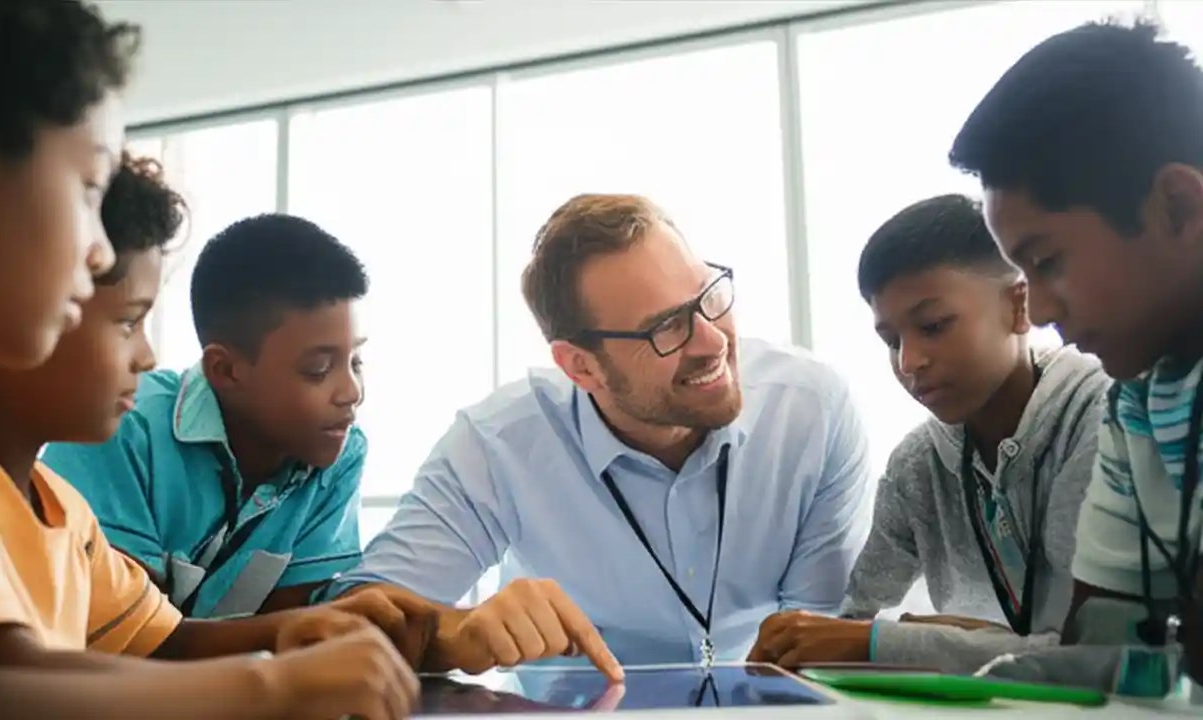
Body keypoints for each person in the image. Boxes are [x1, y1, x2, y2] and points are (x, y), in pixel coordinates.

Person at [0, 3, 417, 720]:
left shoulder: (65, 514)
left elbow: (164, 641)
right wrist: (271, 684)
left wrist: (291, 639)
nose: (96, 251)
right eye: (88, 190)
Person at [331, 193, 873, 676]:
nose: (711, 341)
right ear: (580, 368)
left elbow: (822, 637)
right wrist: (456, 631)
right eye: (666, 327)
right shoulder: (497, 444)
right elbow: (358, 619)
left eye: (708, 295)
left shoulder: (810, 409)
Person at [745, 194, 1108, 673]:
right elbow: (845, 622)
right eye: (891, 340)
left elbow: (1094, 660)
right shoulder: (919, 463)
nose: (908, 362)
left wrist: (890, 644)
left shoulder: (1102, 423)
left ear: (1020, 305)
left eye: (933, 326)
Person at [948, 19, 1203, 688]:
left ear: (1178, 205)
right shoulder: (1139, 403)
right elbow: (1102, 657)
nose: (1041, 310)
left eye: (1048, 261)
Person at [43, 214, 378, 620]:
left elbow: (299, 630)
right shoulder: (121, 423)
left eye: (355, 361)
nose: (351, 392)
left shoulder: (338, 454)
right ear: (225, 371)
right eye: (319, 369)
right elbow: (128, 634)